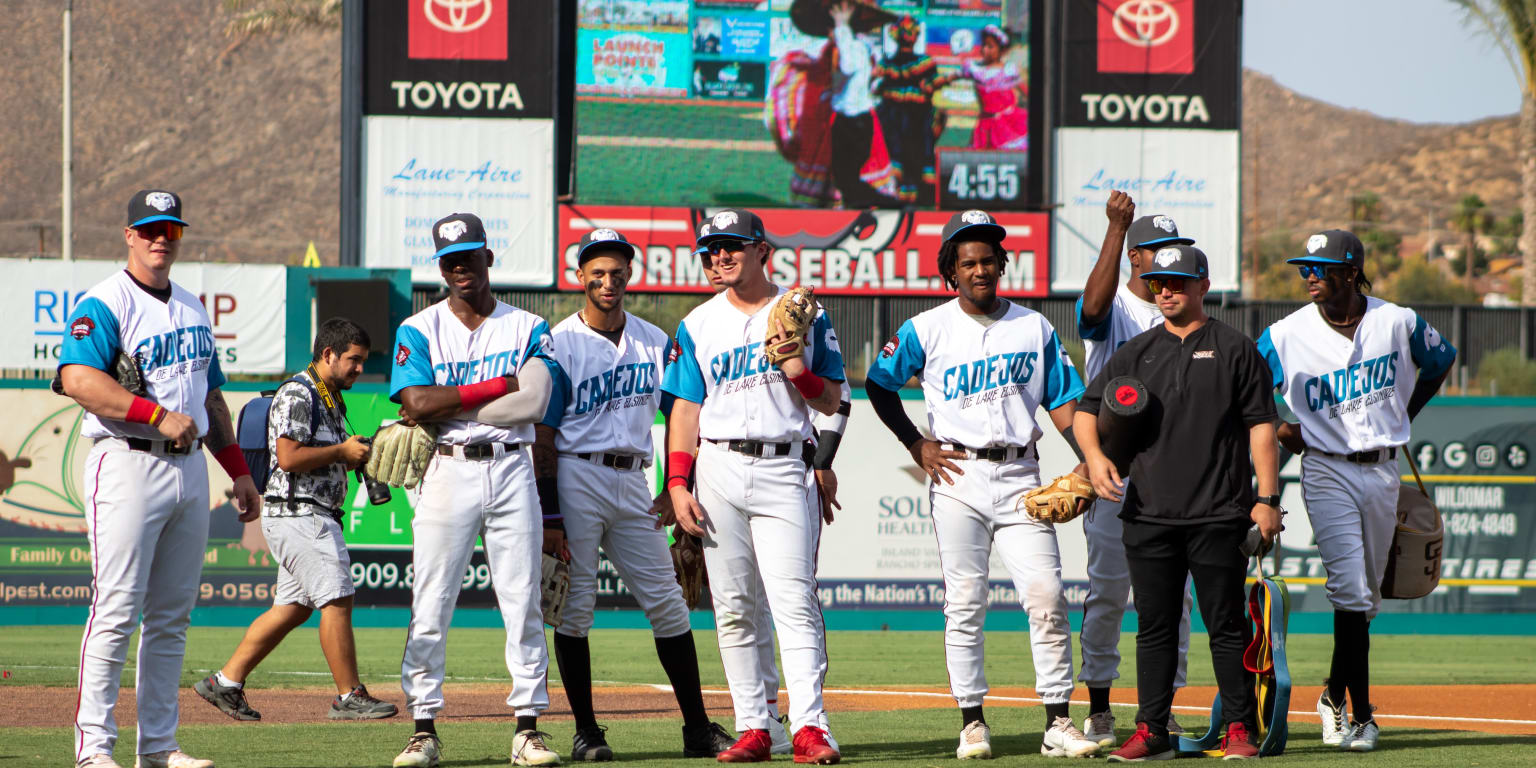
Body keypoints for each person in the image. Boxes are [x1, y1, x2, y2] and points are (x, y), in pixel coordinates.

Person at [864, 210, 1099, 760]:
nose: (980, 269)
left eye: (989, 260)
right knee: (965, 602)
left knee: (1046, 596)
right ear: (951, 270)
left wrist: (1089, 458)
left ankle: (1058, 721)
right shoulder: (926, 328)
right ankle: (972, 721)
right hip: (959, 476)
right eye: (968, 262)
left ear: (1001, 264)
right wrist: (915, 443)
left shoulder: (1034, 327)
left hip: (1020, 475)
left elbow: (1062, 401)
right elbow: (878, 384)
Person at [59, 189, 263, 768]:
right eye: (149, 229)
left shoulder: (193, 307)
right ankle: (94, 750)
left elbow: (210, 399)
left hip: (190, 468)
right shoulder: (105, 302)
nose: (159, 239)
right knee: (117, 611)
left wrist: (239, 472)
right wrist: (153, 414)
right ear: (129, 235)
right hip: (128, 460)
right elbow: (77, 379)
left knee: (171, 618)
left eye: (169, 229)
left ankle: (157, 746)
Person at [1074, 244, 1281, 762]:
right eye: (1158, 283)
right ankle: (1152, 731)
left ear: (1203, 286)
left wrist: (1267, 499)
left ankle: (1238, 727)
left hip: (1219, 511)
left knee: (1226, 625)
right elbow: (1087, 410)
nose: (1166, 290)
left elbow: (1262, 426)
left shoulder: (1235, 348)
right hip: (1148, 513)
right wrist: (1094, 459)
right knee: (1155, 627)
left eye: (1178, 282)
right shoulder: (1136, 351)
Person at [536, 229, 737, 761]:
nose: (608, 282)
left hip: (633, 479)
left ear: (630, 275)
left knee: (669, 605)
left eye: (617, 272)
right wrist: (551, 515)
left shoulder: (654, 340)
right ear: (580, 277)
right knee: (576, 608)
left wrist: (677, 484)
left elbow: (682, 416)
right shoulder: (559, 342)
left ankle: (697, 729)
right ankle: (587, 732)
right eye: (597, 273)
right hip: (577, 475)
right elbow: (544, 435)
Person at [1257, 229, 1456, 753]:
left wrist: (1403, 413)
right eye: (1305, 268)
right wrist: (1278, 426)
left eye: (1320, 268)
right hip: (1327, 469)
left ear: (1351, 272)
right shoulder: (1285, 334)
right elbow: (1244, 388)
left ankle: (1331, 696)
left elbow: (1441, 362)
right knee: (1349, 590)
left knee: (1365, 603)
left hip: (1384, 470)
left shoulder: (1398, 321)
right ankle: (1363, 716)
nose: (1309, 276)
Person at [661, 208, 846, 765]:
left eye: (732, 245)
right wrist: (677, 483)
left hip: (783, 463)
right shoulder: (697, 323)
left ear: (762, 250)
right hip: (717, 466)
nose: (719, 255)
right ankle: (755, 727)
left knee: (793, 601)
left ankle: (811, 726)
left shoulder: (802, 313)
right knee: (735, 607)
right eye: (710, 248)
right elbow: (686, 411)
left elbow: (833, 399)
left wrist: (798, 370)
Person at [389, 213, 565, 768]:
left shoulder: (529, 325)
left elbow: (533, 402)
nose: (460, 267)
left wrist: (452, 404)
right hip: (448, 469)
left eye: (468, 255)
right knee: (431, 600)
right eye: (449, 260)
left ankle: (528, 729)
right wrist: (496, 387)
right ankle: (423, 729)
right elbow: (416, 403)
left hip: (512, 468)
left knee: (523, 600)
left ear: (488, 256)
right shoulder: (418, 328)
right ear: (440, 268)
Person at [193, 318, 396, 722]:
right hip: (300, 514)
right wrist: (341, 452)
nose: (359, 368)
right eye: (354, 360)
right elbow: (288, 457)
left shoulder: (328, 397)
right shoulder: (299, 392)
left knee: (293, 608)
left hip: (305, 514)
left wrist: (352, 455)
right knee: (337, 598)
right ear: (328, 354)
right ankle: (349, 696)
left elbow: (318, 455)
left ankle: (225, 682)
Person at [1073, 192, 1197, 746]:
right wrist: (1116, 230)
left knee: (1175, 600)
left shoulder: (1185, 313)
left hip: (1172, 472)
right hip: (1114, 470)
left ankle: (1162, 709)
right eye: (1157, 249)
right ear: (1135, 257)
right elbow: (1092, 310)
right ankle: (1100, 707)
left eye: (1176, 247)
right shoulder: (1116, 307)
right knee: (1107, 593)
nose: (1168, 257)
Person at [874, 15, 941, 205]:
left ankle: (902, 190)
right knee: (911, 150)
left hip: (900, 115)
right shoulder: (921, 62)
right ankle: (912, 191)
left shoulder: (888, 63)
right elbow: (932, 86)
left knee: (900, 150)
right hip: (912, 116)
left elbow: (879, 87)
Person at [935, 25, 1028, 151]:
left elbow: (1024, 89)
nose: (985, 50)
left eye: (990, 47)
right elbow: (953, 76)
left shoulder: (1009, 70)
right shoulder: (975, 69)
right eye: (984, 45)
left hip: (1008, 123)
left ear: (1002, 50)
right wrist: (936, 83)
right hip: (985, 124)